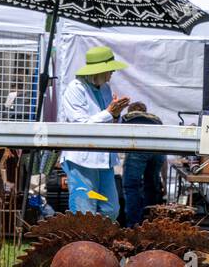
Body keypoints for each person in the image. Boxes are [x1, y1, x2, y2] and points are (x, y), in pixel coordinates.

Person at [60, 45, 129, 219]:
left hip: (104, 158)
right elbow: (80, 125)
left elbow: (109, 120)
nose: (112, 72)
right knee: (84, 211)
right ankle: (82, 238)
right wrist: (109, 113)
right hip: (82, 159)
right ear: (99, 71)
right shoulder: (75, 88)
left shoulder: (105, 88)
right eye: (110, 69)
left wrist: (116, 114)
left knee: (111, 209)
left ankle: (98, 238)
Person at [121, 102, 165, 227]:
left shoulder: (127, 118)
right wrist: (165, 180)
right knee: (152, 186)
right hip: (158, 151)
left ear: (130, 111)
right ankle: (150, 223)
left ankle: (133, 225)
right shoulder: (156, 119)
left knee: (131, 186)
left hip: (138, 148)